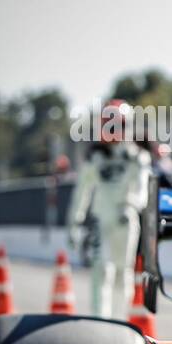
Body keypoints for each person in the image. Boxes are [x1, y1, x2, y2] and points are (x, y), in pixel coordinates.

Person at [68, 99, 154, 320]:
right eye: (109, 124)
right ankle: (100, 319)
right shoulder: (94, 157)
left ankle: (119, 321)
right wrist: (75, 223)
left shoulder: (138, 157)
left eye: (118, 125)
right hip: (100, 220)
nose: (113, 130)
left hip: (126, 221)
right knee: (101, 270)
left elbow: (143, 190)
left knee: (123, 272)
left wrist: (130, 205)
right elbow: (82, 192)